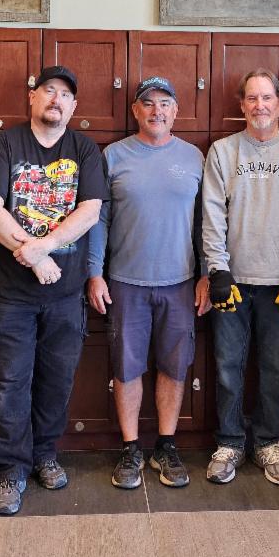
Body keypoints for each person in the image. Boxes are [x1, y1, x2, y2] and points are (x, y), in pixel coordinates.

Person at [0, 65, 107, 516]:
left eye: (65, 94)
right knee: (10, 384)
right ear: (32, 97)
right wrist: (34, 257)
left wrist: (43, 247)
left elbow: (90, 210)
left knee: (56, 381)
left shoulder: (84, 149)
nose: (56, 99)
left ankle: (45, 454)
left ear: (74, 106)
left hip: (65, 295)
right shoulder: (6, 145)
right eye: (48, 90)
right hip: (10, 296)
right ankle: (11, 470)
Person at [201, 68, 279, 488]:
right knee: (227, 366)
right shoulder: (222, 151)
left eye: (267, 98)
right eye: (251, 98)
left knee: (274, 367)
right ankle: (230, 442)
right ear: (242, 105)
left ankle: (268, 442)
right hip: (232, 282)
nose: (259, 105)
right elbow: (212, 214)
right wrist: (217, 269)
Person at [87, 76, 206, 490]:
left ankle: (166, 446)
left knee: (174, 367)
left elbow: (205, 223)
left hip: (181, 283)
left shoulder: (193, 157)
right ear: (135, 110)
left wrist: (207, 275)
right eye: (149, 103)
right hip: (125, 283)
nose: (157, 111)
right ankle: (130, 448)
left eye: (165, 103)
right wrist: (95, 272)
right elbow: (98, 219)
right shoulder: (114, 155)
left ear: (176, 111)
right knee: (127, 367)